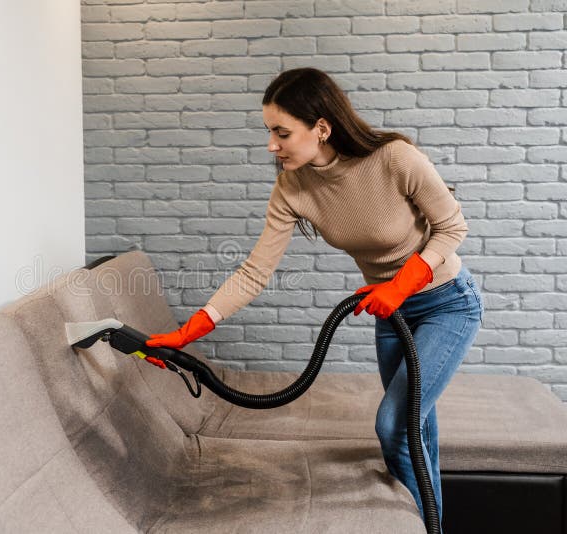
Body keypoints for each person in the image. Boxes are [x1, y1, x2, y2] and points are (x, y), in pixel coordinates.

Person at [145, 67, 484, 523]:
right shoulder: (292, 187)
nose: (271, 145)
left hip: (447, 304)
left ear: (321, 128)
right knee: (414, 425)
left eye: (282, 132)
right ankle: (428, 523)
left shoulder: (394, 159)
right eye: (270, 132)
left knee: (394, 426)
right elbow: (255, 272)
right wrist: (190, 330)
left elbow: (452, 226)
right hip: (391, 316)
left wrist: (402, 284)